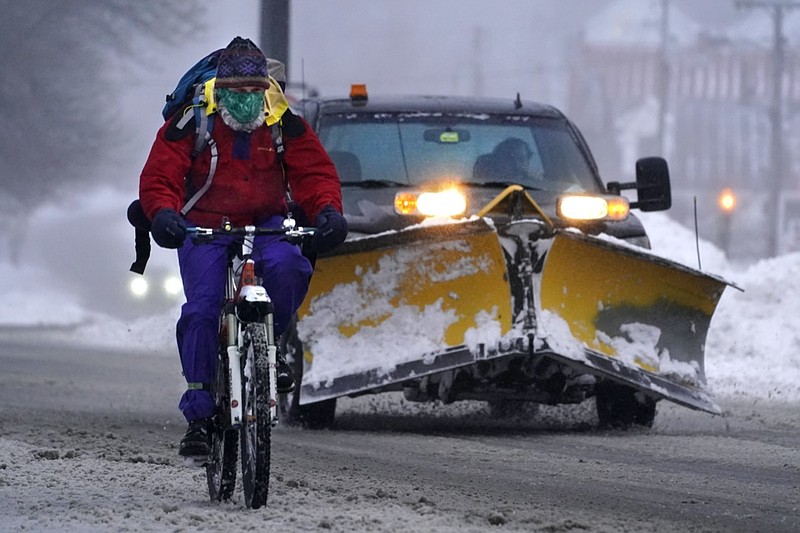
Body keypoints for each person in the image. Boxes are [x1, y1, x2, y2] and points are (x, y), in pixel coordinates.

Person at [138, 37, 347, 459]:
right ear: (221, 88)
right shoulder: (192, 121)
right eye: (238, 91)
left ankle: (272, 346)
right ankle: (198, 415)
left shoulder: (283, 122)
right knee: (202, 308)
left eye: (256, 91)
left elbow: (315, 174)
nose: (248, 99)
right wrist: (163, 214)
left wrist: (327, 211)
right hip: (204, 225)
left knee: (290, 267)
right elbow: (161, 175)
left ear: (267, 89)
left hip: (267, 222)